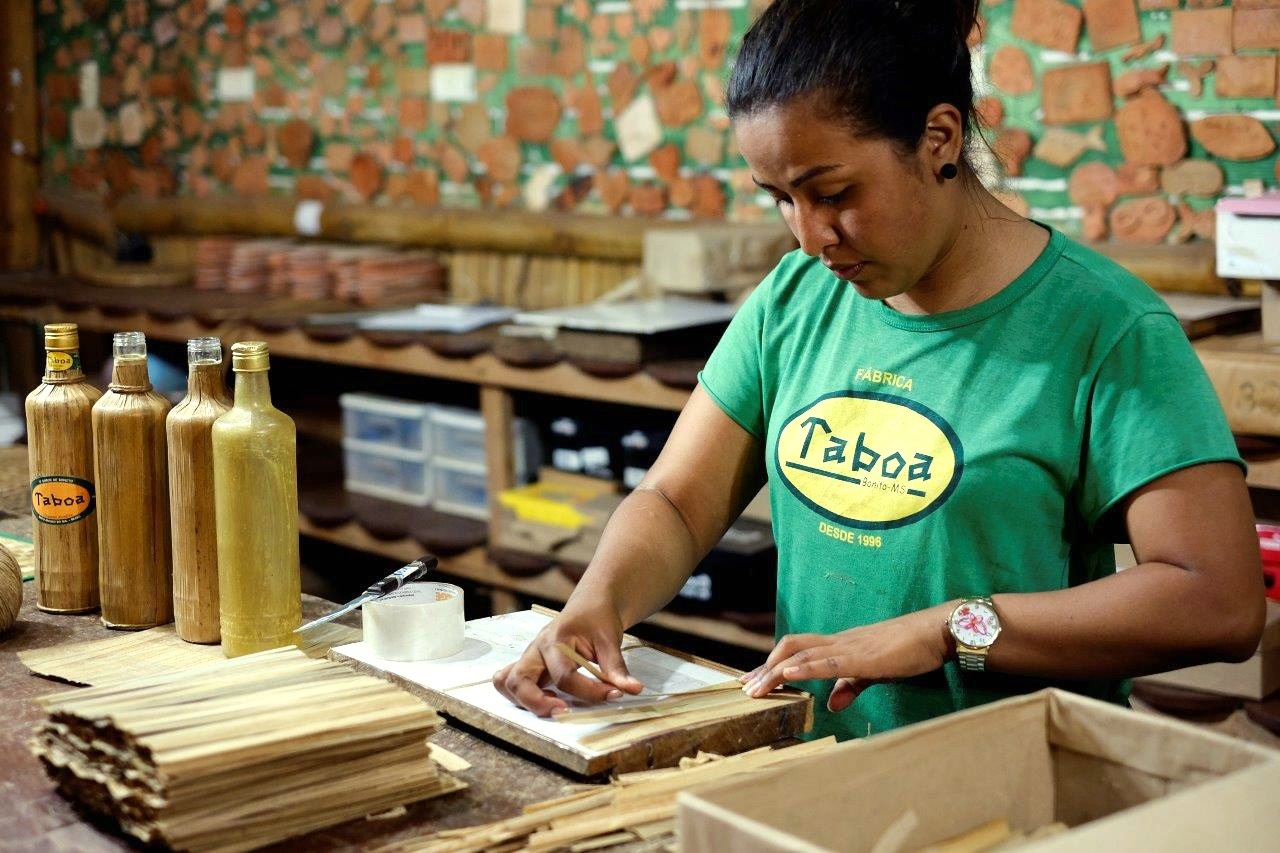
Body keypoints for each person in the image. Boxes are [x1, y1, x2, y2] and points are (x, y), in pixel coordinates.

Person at [494, 0, 1266, 741]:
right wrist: (597, 602)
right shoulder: (795, 300)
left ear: (938, 138)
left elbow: (1217, 601)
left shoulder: (1104, 327)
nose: (808, 237)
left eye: (832, 193)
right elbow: (676, 499)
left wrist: (946, 630)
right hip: (821, 774)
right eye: (781, 199)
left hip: (1014, 791)